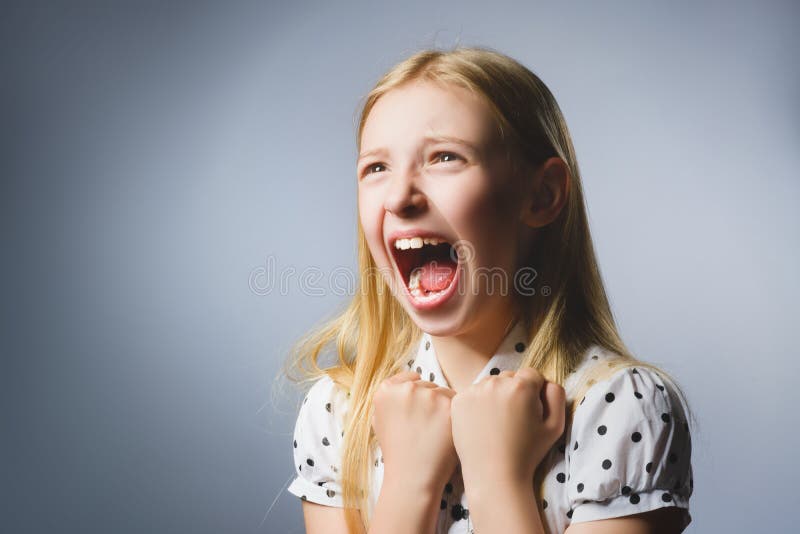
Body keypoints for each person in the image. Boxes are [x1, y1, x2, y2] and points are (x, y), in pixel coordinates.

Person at [280, 45, 695, 534]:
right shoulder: (338, 413)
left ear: (542, 195)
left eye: (445, 157)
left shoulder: (621, 408)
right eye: (376, 168)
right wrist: (409, 484)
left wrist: (498, 480)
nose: (399, 197)